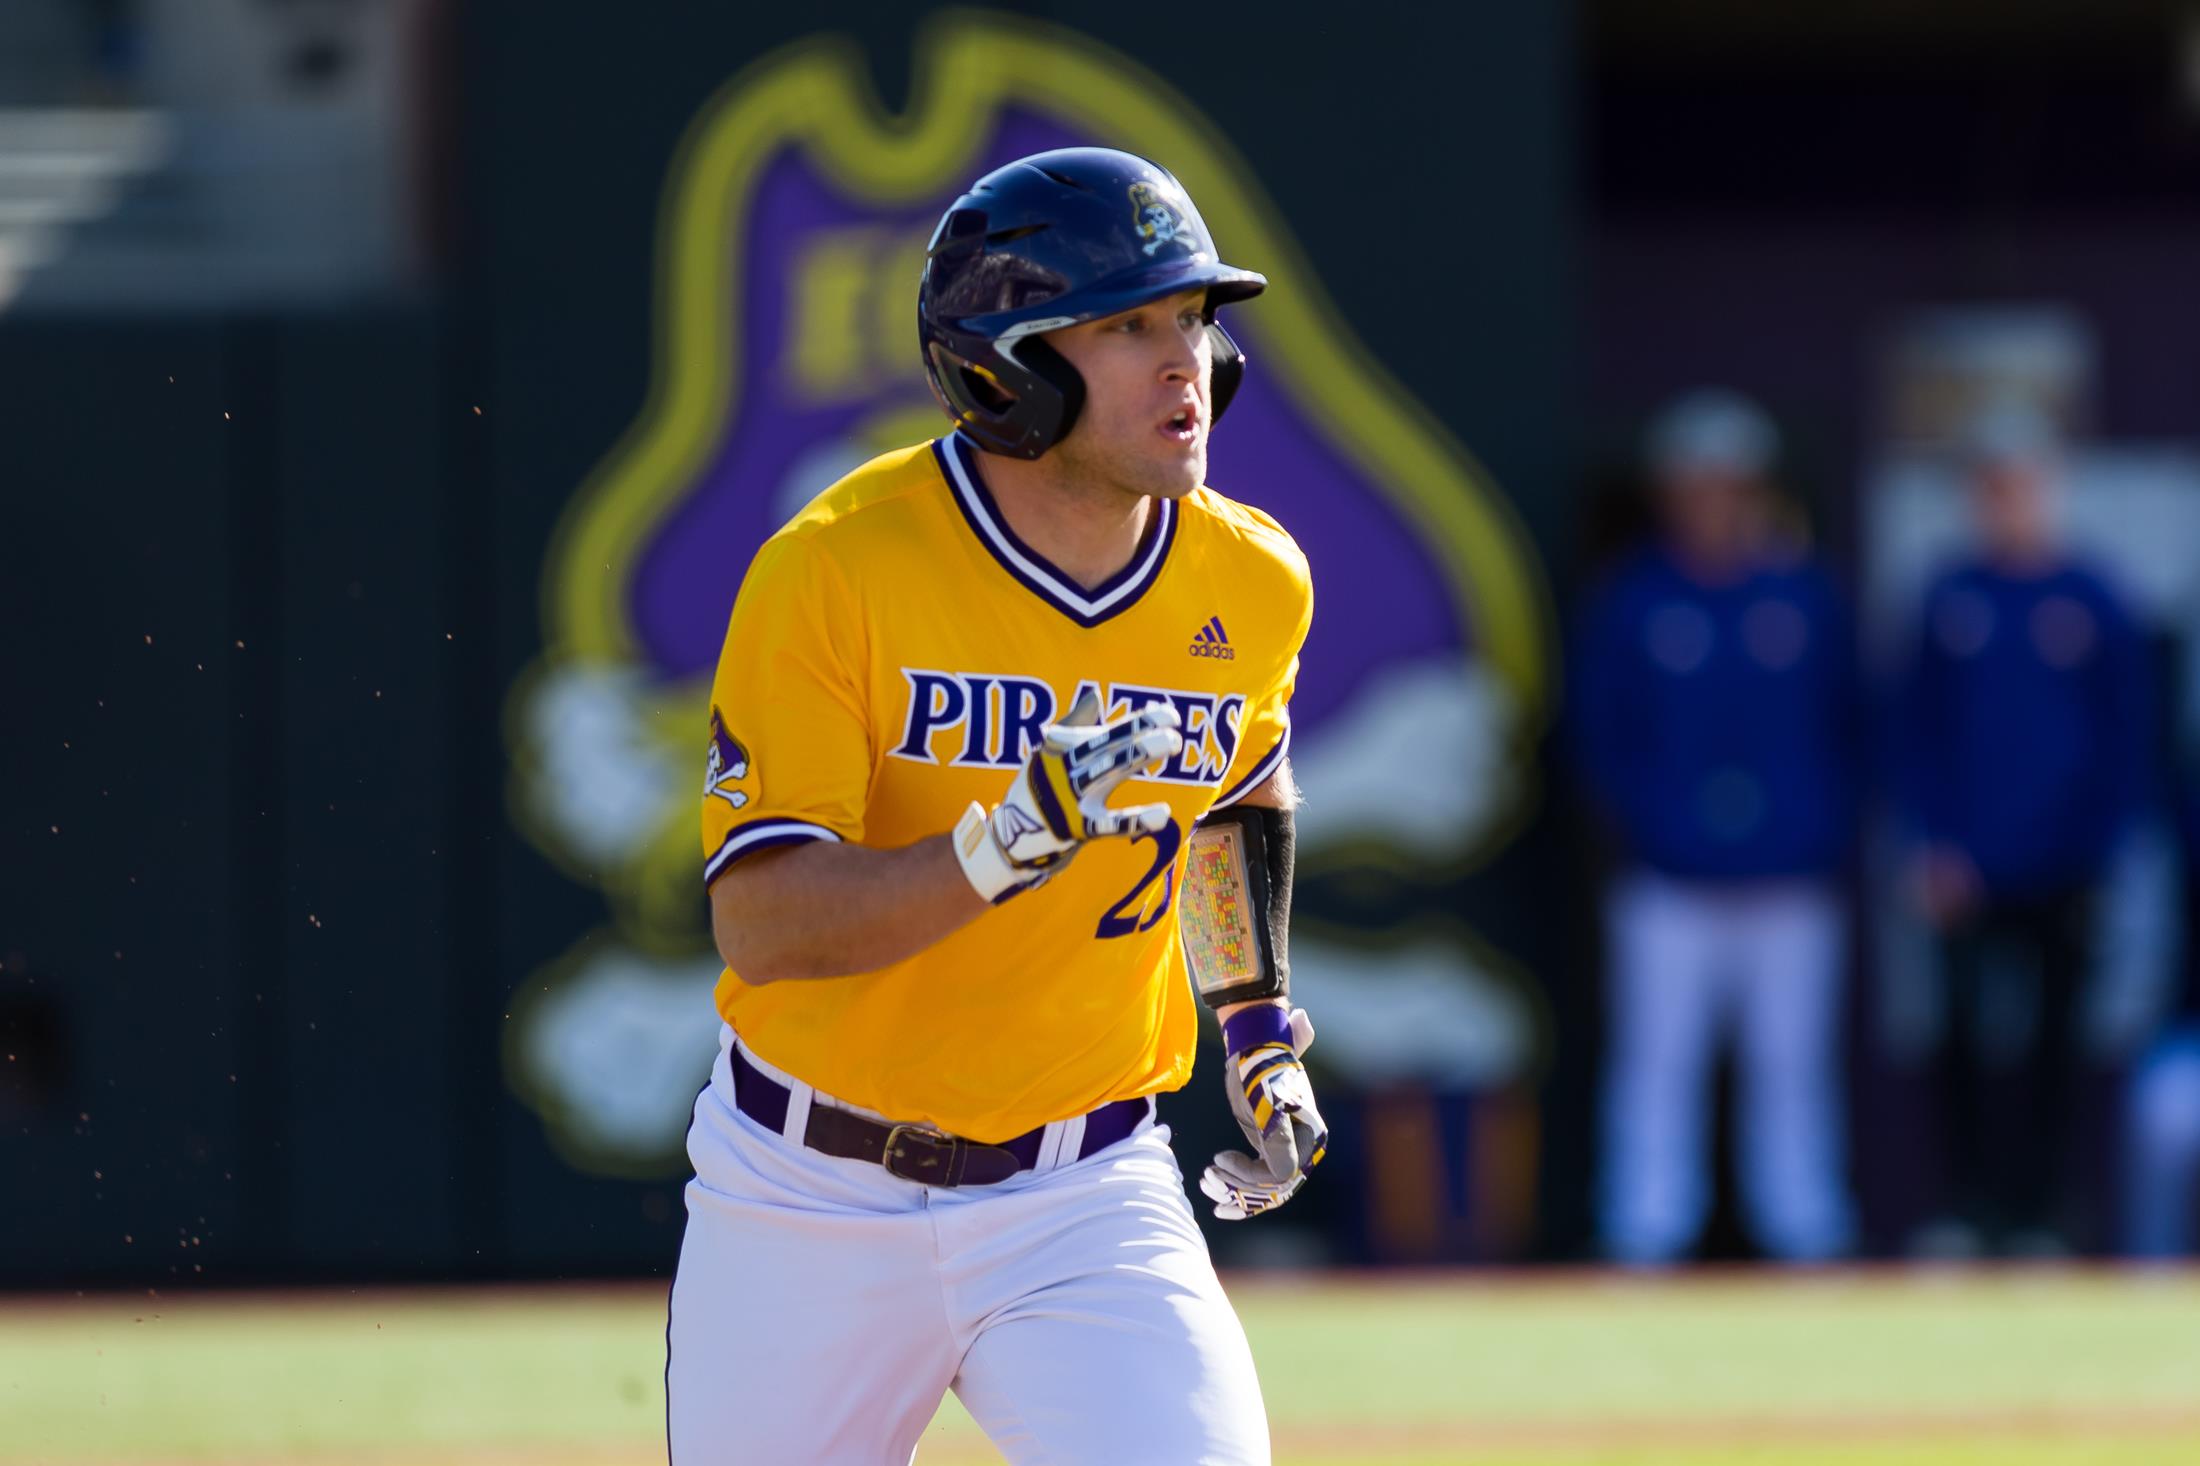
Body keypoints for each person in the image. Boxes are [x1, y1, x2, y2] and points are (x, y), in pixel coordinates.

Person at [666, 149, 1327, 1464]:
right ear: (1007, 366)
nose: (1185, 360)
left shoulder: (1254, 579)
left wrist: (1255, 1027)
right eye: (1128, 325)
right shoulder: (835, 566)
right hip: (810, 1187)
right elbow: (762, 921)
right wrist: (1002, 842)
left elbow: (1235, 793)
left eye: (1192, 317)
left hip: (1087, 1189)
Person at [1573, 389, 1859, 1266]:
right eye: (1694, 485)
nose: (1711, 503)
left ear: (1756, 489)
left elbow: (1853, 727)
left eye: (1727, 484)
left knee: (1792, 1066)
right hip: (1670, 882)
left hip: (1791, 883)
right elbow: (1599, 736)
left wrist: (1815, 831)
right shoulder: (1634, 600)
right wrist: (1653, 829)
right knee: (1657, 1064)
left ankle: (1809, 1236)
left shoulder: (1805, 596)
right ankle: (1643, 1237)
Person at [1898, 402, 2153, 1255]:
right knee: (1963, 1040)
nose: (2007, 499)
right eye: (1992, 484)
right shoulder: (1950, 595)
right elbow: (1915, 730)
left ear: (2049, 488)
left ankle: (2043, 1215)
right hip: (1966, 866)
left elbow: (2125, 735)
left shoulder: (2092, 595)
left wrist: (2102, 852)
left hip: (2065, 862)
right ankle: (1969, 1211)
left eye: (2022, 483)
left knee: (2055, 1044)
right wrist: (1932, 842)